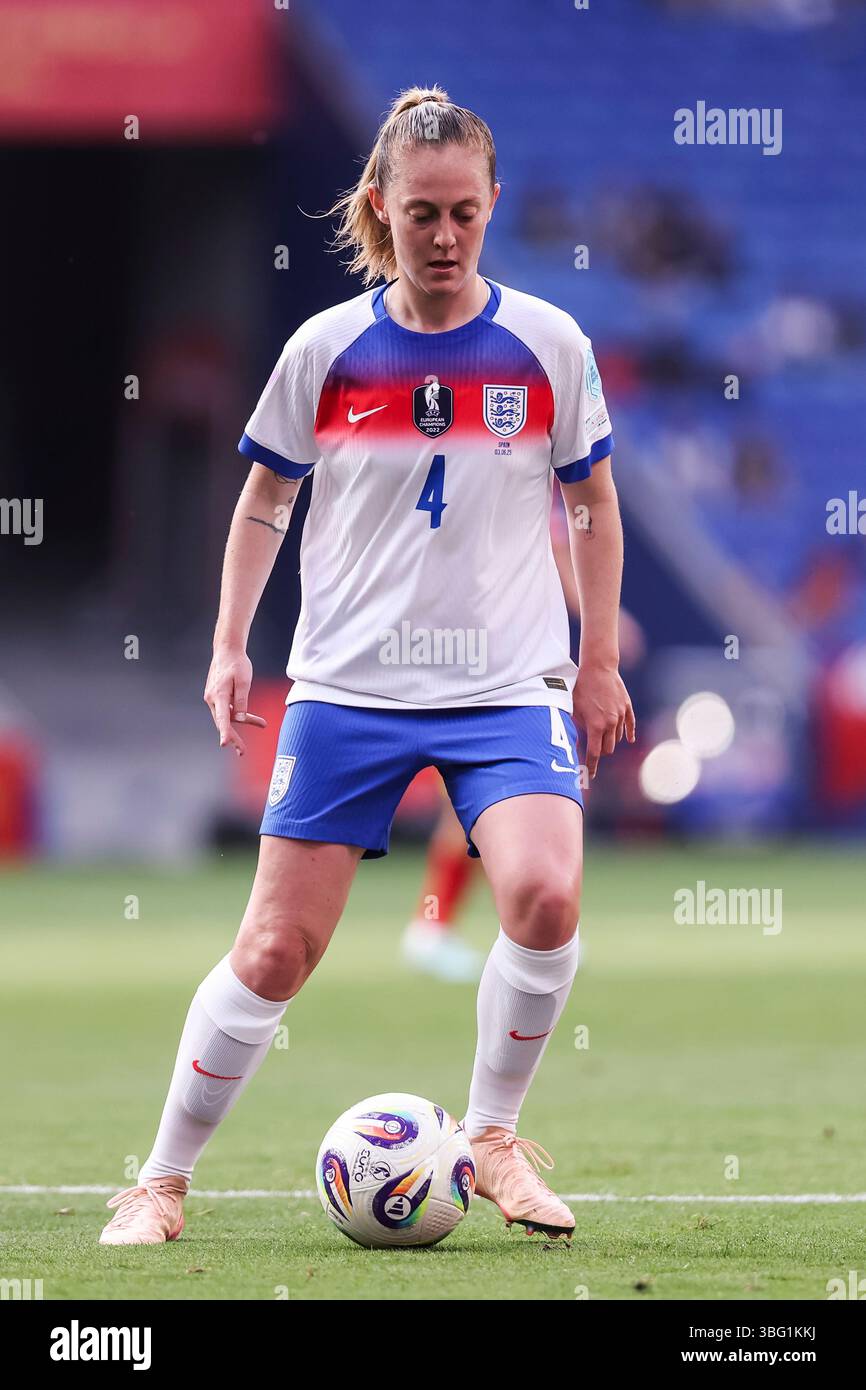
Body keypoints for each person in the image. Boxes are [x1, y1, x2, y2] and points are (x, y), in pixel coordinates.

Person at [99, 84, 635, 1247]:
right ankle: (158, 1180)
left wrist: (595, 660)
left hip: (505, 684)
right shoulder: (324, 348)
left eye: (463, 214)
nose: (442, 238)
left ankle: (490, 1137)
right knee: (277, 946)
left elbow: (590, 500)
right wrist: (231, 639)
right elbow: (262, 499)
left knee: (544, 895)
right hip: (350, 684)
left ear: (493, 207)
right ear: (379, 210)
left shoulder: (549, 344)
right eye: (420, 214)